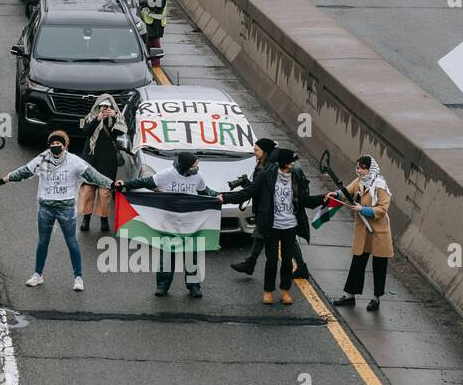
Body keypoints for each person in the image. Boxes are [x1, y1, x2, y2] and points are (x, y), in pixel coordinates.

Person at [0, 130, 113, 293]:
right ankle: (38, 274)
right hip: (46, 208)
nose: (56, 147)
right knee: (43, 242)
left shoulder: (74, 161)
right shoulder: (43, 159)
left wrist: (111, 184)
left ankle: (78, 277)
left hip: (66, 208)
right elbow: (24, 172)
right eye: (53, 144)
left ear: (65, 145)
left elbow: (93, 175)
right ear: (49, 146)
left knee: (71, 242)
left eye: (59, 144)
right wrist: (3, 180)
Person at [117, 151, 219, 298]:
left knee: (191, 255)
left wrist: (217, 196)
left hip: (190, 222)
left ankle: (194, 287)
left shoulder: (197, 176)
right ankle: (162, 285)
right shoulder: (167, 174)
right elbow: (146, 182)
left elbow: (204, 191)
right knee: (167, 255)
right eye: (194, 166)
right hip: (169, 222)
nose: (196, 168)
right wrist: (125, 184)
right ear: (185, 166)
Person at [220, 147, 312, 306]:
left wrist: (325, 198)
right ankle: (268, 291)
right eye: (292, 162)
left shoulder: (296, 177)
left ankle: (285, 291)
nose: (294, 164)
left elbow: (305, 200)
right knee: (271, 261)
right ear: (284, 163)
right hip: (272, 225)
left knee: (287, 261)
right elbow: (248, 193)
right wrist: (225, 198)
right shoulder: (266, 176)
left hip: (290, 226)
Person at [229, 138, 309, 280]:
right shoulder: (264, 163)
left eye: (256, 150)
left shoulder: (270, 166)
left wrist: (246, 188)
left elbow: (264, 188)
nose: (254, 153)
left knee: (276, 237)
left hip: (274, 210)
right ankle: (251, 263)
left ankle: (252, 264)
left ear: (265, 151)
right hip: (268, 209)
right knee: (261, 234)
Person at [331, 156, 393, 312]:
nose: (360, 171)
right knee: (357, 262)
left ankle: (376, 298)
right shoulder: (359, 182)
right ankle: (349, 295)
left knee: (379, 265)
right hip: (363, 231)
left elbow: (382, 209)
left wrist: (363, 210)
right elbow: (347, 191)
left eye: (363, 168)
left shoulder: (380, 186)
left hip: (379, 232)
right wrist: (336, 195)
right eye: (358, 167)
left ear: (370, 169)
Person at [78, 94, 123, 233]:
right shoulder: (90, 116)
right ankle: (86, 219)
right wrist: (97, 119)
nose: (105, 109)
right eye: (103, 106)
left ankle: (104, 219)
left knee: (105, 192)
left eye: (108, 107)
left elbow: (119, 132)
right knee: (88, 190)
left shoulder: (117, 118)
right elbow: (85, 131)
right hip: (91, 158)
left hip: (108, 159)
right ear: (98, 106)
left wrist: (115, 117)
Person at [138, 0, 168, 68]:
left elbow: (157, 7)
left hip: (157, 22)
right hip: (150, 22)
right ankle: (152, 61)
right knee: (150, 41)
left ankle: (156, 63)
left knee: (154, 42)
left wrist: (146, 2)